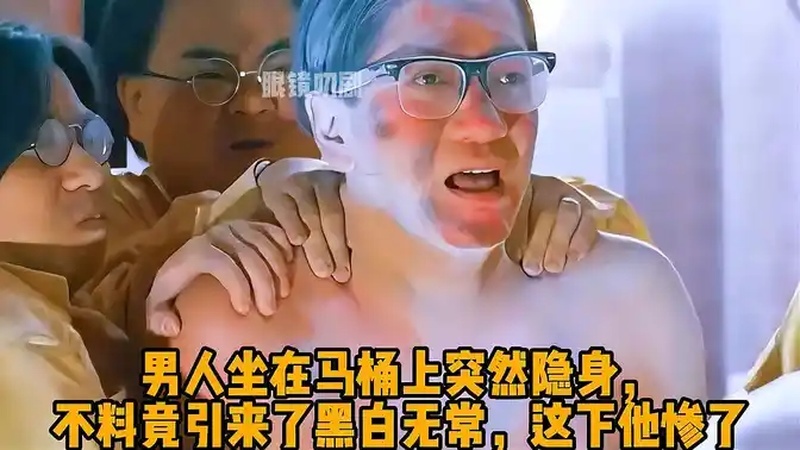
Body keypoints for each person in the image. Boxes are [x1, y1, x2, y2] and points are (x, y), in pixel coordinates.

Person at [171, 0, 706, 447]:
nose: (486, 124)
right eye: (427, 77)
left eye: (509, 75)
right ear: (330, 123)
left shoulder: (633, 302)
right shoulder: (238, 322)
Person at [85, 0, 653, 341]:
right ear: (135, 101)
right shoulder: (84, 217)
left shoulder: (547, 214)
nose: (256, 100)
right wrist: (244, 200)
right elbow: (65, 337)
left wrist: (528, 218)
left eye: (282, 70)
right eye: (211, 77)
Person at [0, 21, 119, 449]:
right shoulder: (23, 344)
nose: (91, 173)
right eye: (44, 143)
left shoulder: (61, 314)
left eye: (88, 135)